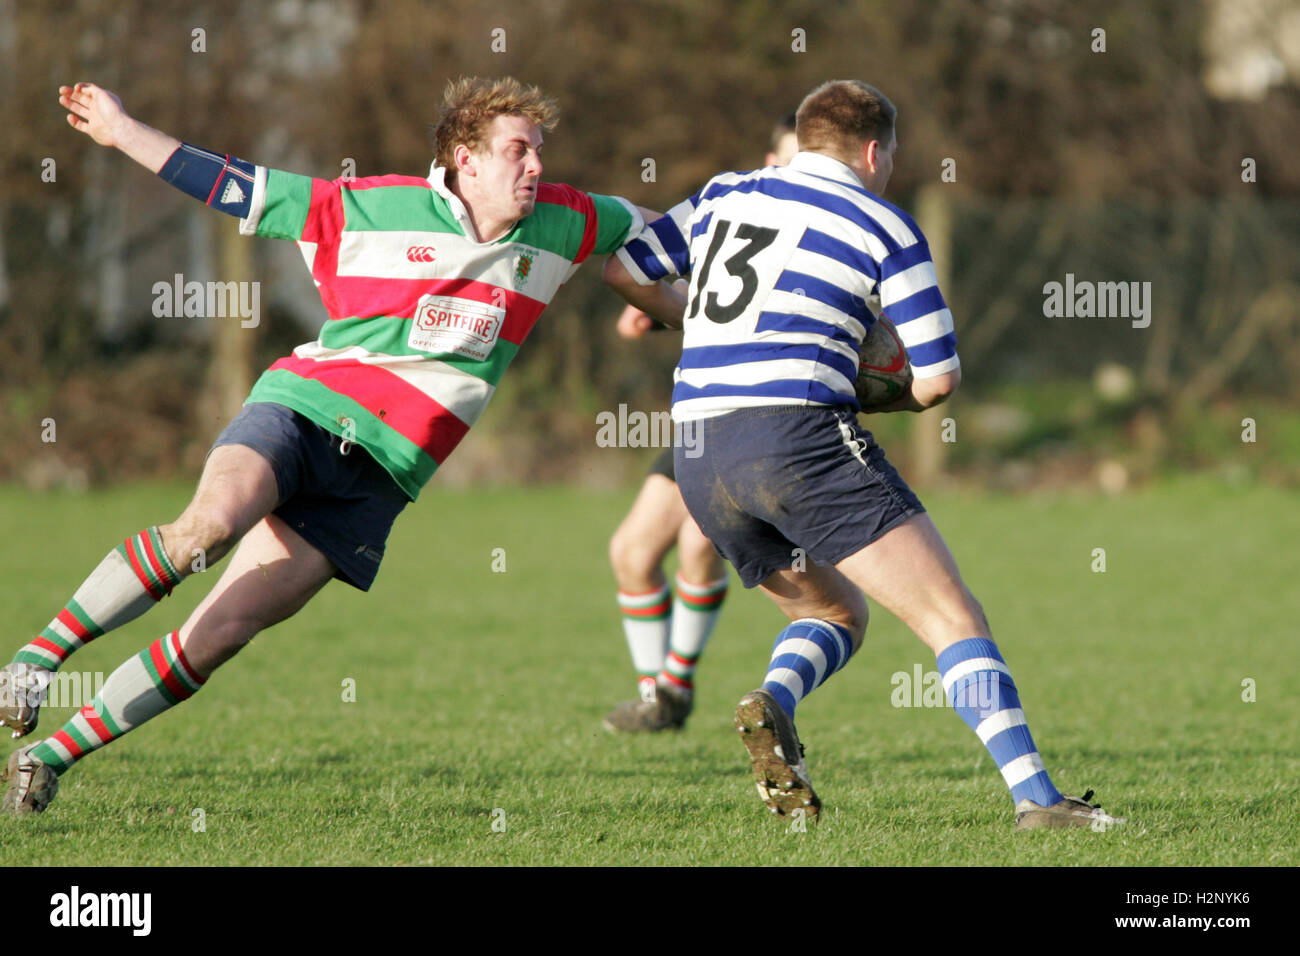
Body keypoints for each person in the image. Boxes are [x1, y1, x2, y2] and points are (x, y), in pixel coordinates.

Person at [0, 77, 648, 814]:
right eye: (517, 151)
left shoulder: (563, 221)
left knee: (219, 635)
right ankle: (34, 662)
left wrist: (725, 240)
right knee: (206, 529)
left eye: (538, 151)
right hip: (306, 411)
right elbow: (236, 186)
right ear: (465, 158)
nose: (535, 166)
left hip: (382, 478)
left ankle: (48, 756)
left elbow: (662, 226)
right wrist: (121, 130)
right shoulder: (370, 205)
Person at [603, 79, 1125, 830]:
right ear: (875, 151)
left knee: (834, 610)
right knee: (953, 615)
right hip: (799, 438)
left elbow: (625, 270)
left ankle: (772, 702)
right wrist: (880, 387)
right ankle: (1038, 802)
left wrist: (694, 323)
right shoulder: (885, 224)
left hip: (698, 452)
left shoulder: (724, 194)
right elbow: (938, 378)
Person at [603, 113, 798, 733]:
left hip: (763, 425)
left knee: (696, 545)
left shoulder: (824, 234)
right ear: (768, 159)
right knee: (631, 552)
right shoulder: (732, 212)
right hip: (697, 417)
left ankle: (674, 688)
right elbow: (705, 295)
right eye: (786, 161)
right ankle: (657, 696)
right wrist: (656, 311)